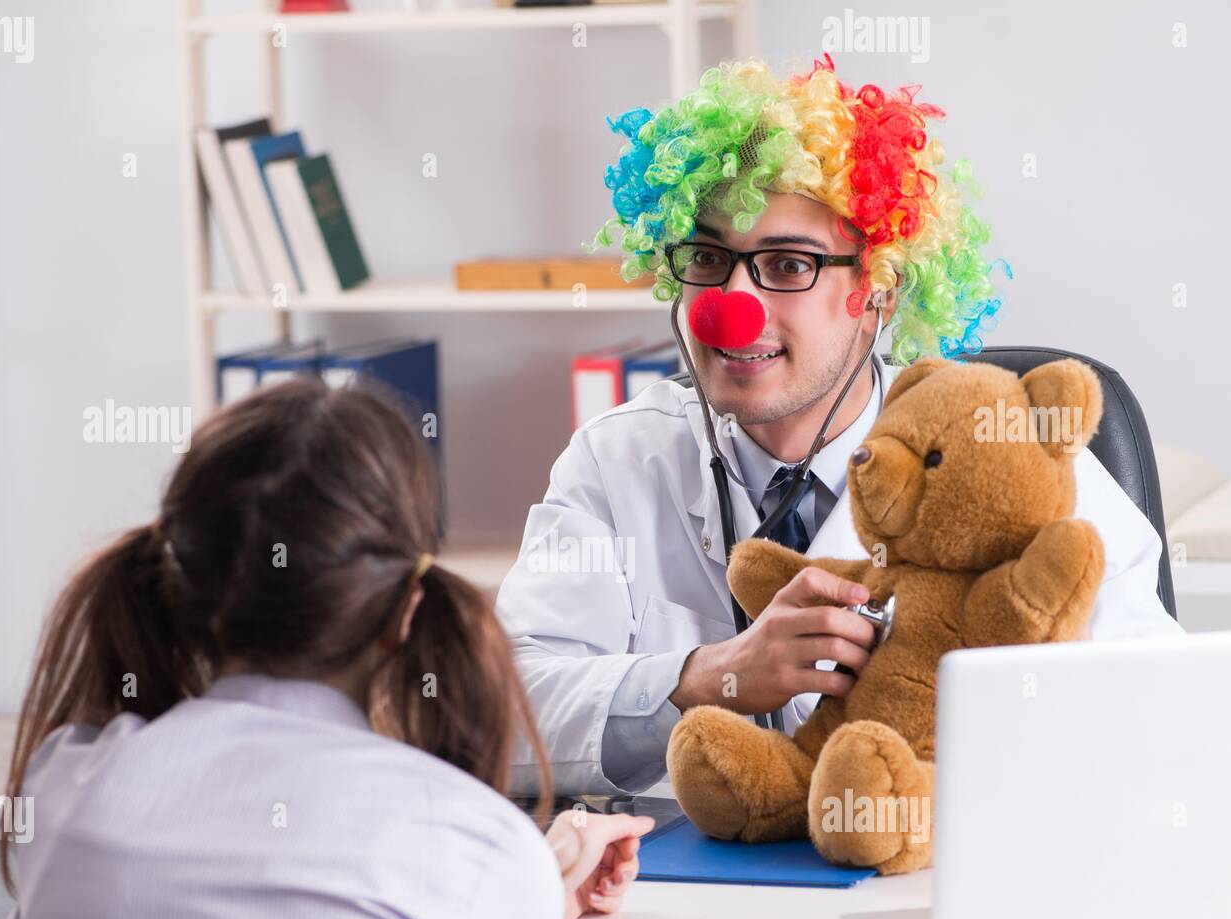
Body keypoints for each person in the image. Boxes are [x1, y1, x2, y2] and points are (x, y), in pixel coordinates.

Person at [496, 57, 1182, 799]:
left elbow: (1163, 704)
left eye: (788, 264)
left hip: (935, 889)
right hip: (685, 900)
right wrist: (711, 676)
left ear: (877, 290)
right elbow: (499, 718)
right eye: (706, 256)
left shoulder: (1011, 446)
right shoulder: (616, 462)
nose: (732, 304)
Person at [1, 379, 653, 919]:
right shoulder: (470, 842)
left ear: (175, 582)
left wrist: (513, 895)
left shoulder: (63, 783)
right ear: (408, 608)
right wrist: (506, 890)